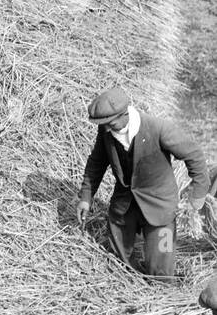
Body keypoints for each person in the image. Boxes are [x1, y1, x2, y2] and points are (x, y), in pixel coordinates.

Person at [74, 86, 209, 279]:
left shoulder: (159, 129)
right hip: (124, 206)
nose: (105, 128)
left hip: (161, 208)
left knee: (161, 267)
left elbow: (194, 154)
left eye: (109, 123)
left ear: (124, 114)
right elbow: (96, 163)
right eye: (102, 124)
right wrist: (86, 197)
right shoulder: (105, 133)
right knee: (121, 259)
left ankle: (161, 292)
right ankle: (134, 283)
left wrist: (198, 192)